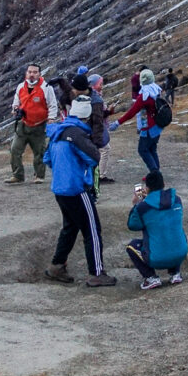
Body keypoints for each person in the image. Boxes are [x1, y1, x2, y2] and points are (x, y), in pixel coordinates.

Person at [44, 94, 115, 286]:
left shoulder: (58, 131)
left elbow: (47, 159)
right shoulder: (78, 135)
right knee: (92, 230)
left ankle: (57, 265)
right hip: (77, 189)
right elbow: (94, 158)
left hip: (60, 189)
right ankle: (97, 273)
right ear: (87, 116)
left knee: (70, 227)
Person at [125, 170, 188, 290]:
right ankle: (175, 273)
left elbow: (132, 225)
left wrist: (136, 205)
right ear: (164, 183)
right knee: (174, 232)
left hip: (157, 259)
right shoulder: (177, 200)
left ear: (147, 189)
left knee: (132, 246)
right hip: (180, 253)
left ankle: (151, 277)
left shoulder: (143, 207)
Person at [7, 64, 58, 184]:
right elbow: (16, 101)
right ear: (26, 73)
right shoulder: (21, 87)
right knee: (15, 150)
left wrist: (51, 119)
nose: (32, 74)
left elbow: (52, 104)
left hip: (39, 125)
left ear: (39, 74)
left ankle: (39, 176)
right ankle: (18, 175)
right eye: (30, 72)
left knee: (39, 151)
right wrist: (15, 109)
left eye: (35, 72)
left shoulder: (46, 87)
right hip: (23, 124)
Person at [112, 69, 165, 176]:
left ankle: (155, 174)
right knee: (152, 149)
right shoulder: (156, 90)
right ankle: (156, 172)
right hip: (158, 125)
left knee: (143, 150)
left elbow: (132, 112)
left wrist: (118, 122)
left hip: (148, 127)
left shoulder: (144, 96)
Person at [83, 72, 114, 184]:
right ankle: (100, 175)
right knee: (104, 149)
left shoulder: (92, 96)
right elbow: (96, 117)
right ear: (93, 85)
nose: (102, 86)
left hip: (94, 128)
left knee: (99, 150)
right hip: (96, 129)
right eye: (100, 84)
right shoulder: (95, 99)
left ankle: (98, 174)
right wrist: (107, 112)